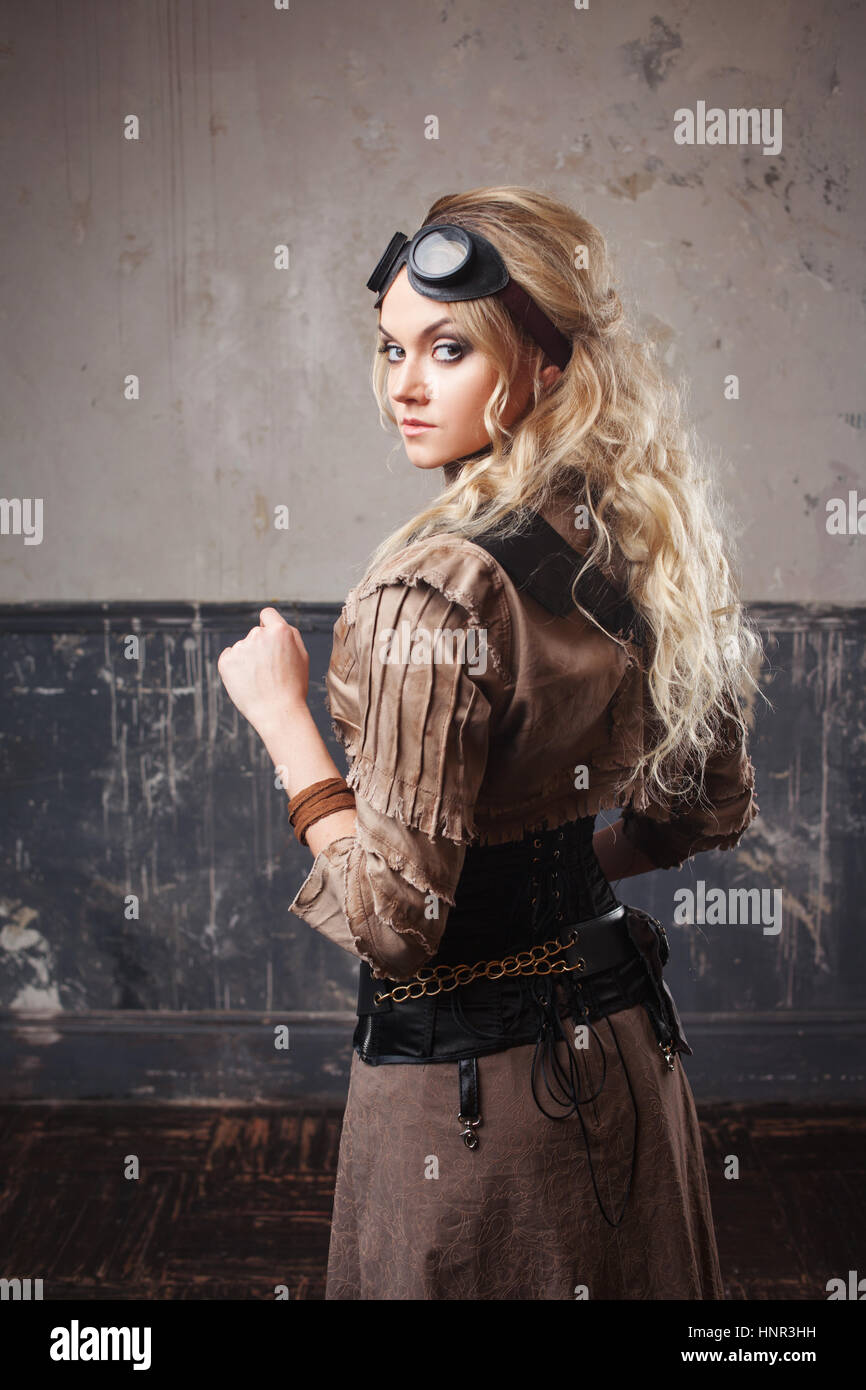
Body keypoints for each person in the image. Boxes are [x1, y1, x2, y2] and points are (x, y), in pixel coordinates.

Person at [217, 186, 763, 1300]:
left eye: (448, 349)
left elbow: (394, 926)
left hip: (473, 1107)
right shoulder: (643, 535)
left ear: (546, 368)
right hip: (629, 1057)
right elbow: (700, 810)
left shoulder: (438, 589)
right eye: (390, 349)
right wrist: (538, 884)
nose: (403, 387)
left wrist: (285, 723)